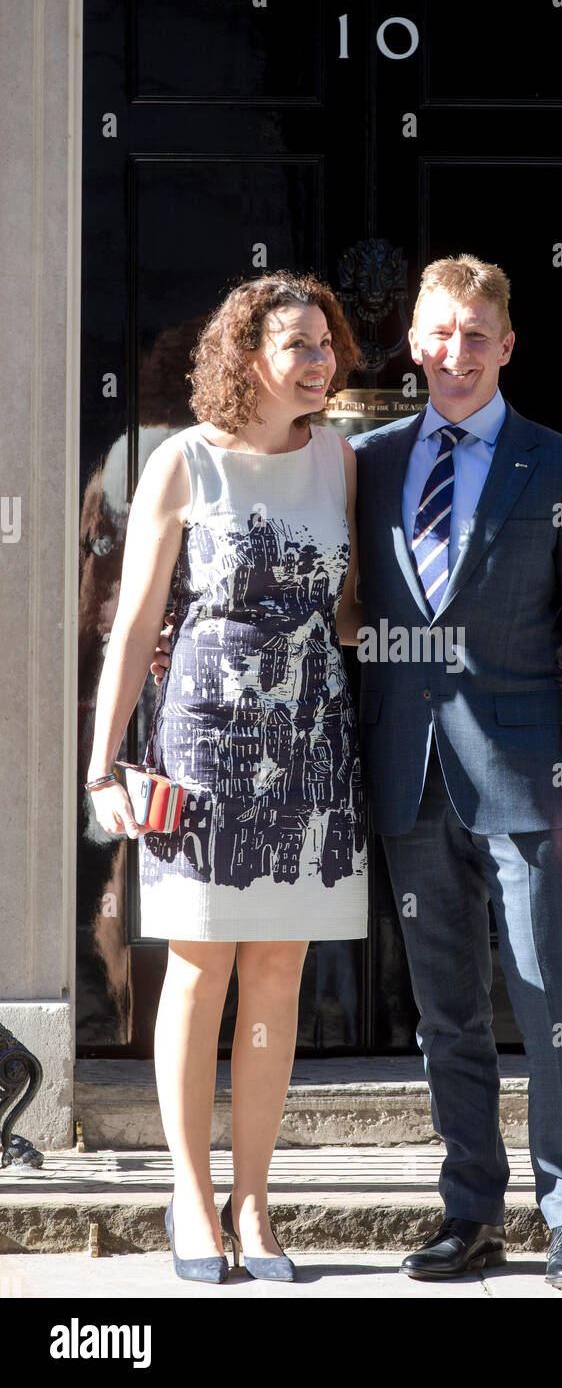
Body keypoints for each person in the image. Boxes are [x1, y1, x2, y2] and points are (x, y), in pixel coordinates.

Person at [351, 254, 562, 1290]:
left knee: (549, 993)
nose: (458, 352)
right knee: (446, 1012)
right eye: (441, 332)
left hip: (530, 781)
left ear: (507, 345)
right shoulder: (369, 461)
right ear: (415, 342)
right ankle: (470, 1210)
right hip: (408, 774)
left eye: (478, 334)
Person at [86, 272, 366, 1283]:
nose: (322, 360)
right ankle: (191, 1198)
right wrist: (102, 764)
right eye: (300, 344)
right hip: (204, 747)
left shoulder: (339, 459)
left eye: (327, 343)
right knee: (200, 969)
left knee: (278, 977)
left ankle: (255, 1201)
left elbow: (344, 616)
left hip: (311, 744)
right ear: (248, 355)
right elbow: (129, 628)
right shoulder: (183, 465)